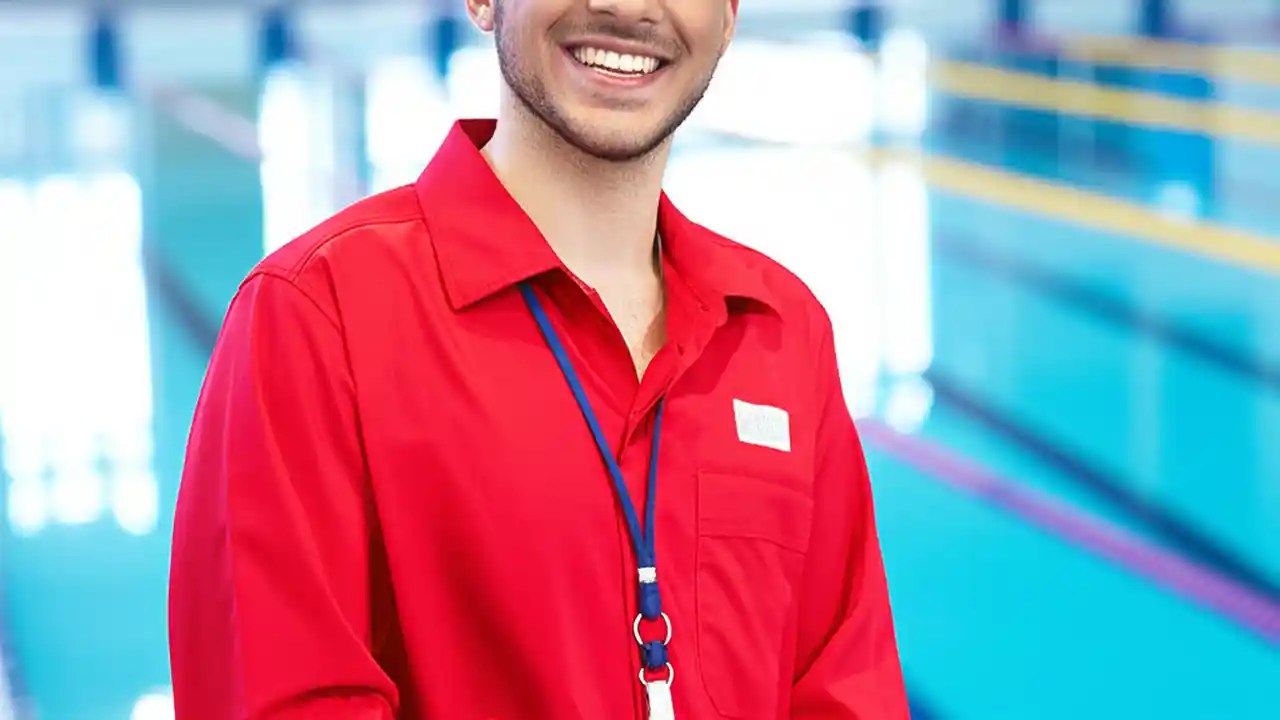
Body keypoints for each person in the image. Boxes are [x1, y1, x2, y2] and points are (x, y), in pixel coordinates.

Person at [167, 0, 910, 718]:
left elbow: (846, 693)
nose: (626, 6)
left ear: (730, 13)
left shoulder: (779, 332)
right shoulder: (316, 317)